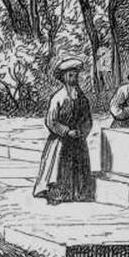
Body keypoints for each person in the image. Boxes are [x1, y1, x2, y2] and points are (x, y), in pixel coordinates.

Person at [32, 57, 95, 204]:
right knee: (59, 167)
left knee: (79, 167)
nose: (73, 78)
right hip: (60, 141)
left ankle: (80, 194)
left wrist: (82, 132)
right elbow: (51, 121)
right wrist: (66, 132)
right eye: (70, 75)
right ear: (64, 78)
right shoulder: (58, 97)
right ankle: (59, 193)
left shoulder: (82, 98)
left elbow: (87, 120)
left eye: (75, 75)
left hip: (78, 140)